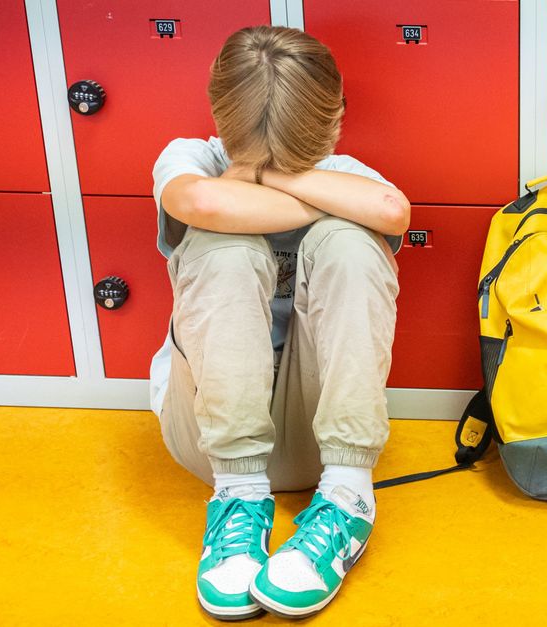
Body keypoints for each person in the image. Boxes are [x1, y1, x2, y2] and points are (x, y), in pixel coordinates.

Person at [148, 25, 409, 620]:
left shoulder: (342, 170)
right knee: (224, 245)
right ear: (335, 116)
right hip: (211, 441)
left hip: (327, 438)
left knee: (351, 243)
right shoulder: (190, 159)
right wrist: (320, 193)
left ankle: (348, 499)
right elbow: (206, 204)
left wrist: (259, 173)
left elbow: (393, 211)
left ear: (221, 107)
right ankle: (238, 500)